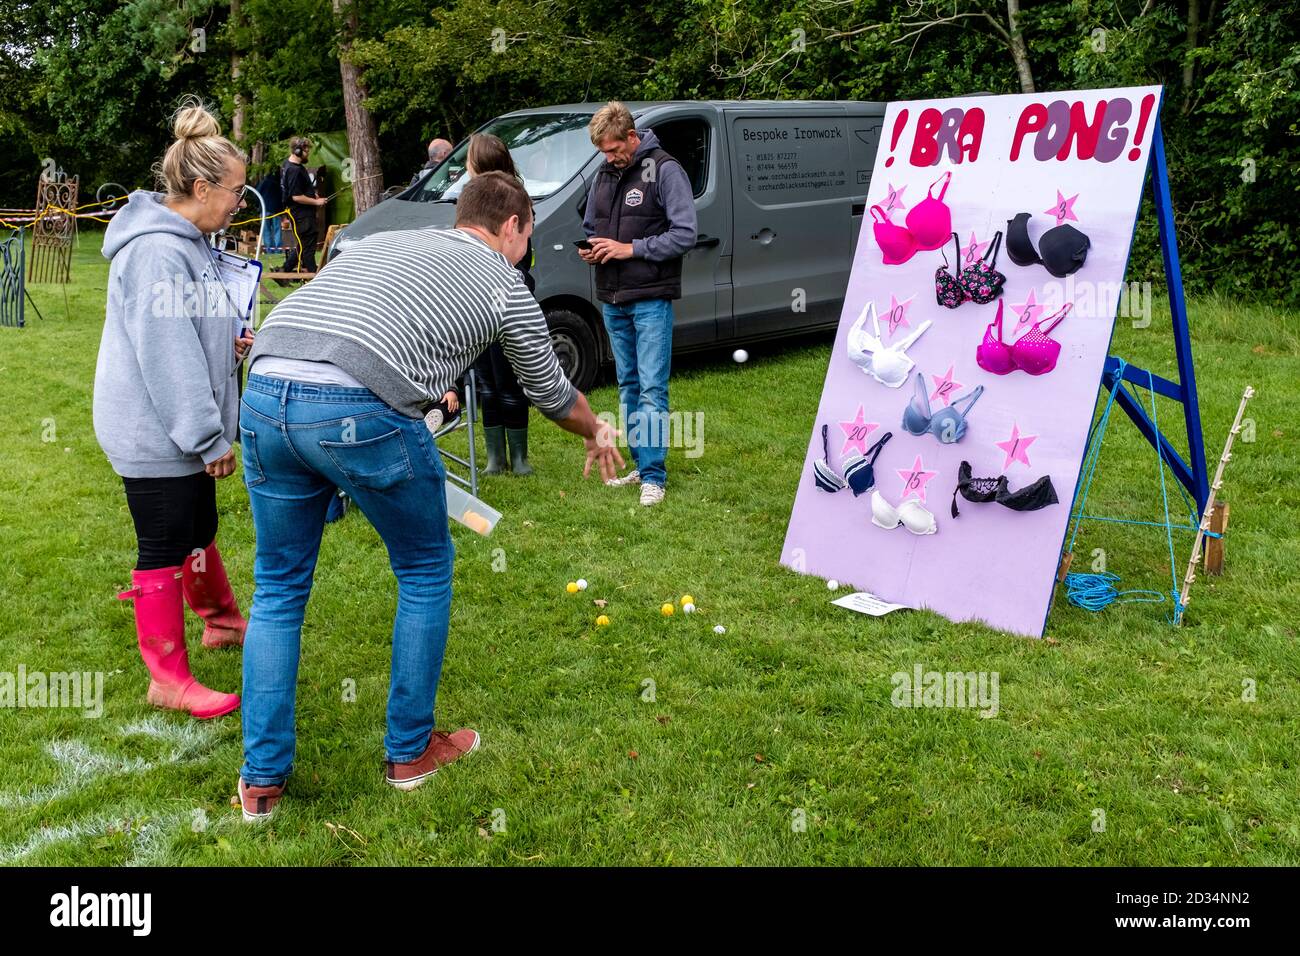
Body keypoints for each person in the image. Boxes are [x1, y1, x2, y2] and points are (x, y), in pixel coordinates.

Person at [235, 171, 623, 821]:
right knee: (423, 569)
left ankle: (261, 781)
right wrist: (596, 428)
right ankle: (410, 753)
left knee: (277, 587)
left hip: (267, 385)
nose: (526, 247)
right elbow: (550, 391)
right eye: (528, 234)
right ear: (514, 227)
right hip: (356, 405)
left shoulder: (390, 240)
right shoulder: (505, 280)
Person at [92, 97, 254, 720]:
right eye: (235, 193)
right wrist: (208, 437)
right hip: (154, 427)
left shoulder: (190, 242)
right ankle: (166, 676)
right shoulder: (159, 250)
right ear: (201, 185)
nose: (240, 204)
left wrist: (229, 342)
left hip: (174, 426)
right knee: (163, 541)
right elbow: (167, 354)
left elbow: (192, 328)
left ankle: (221, 622)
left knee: (197, 528)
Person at [579, 101, 697, 507]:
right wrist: (592, 248)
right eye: (604, 153)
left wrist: (630, 249)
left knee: (651, 389)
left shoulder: (666, 170)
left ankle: (654, 477)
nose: (609, 158)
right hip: (612, 297)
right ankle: (641, 464)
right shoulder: (604, 175)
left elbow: (685, 234)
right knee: (628, 385)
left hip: (650, 298)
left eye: (613, 150)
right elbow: (591, 226)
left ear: (632, 136)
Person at [461, 133, 537, 475]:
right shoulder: (467, 200)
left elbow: (521, 259)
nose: (465, 165)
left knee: (510, 380)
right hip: (477, 302)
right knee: (486, 379)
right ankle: (495, 456)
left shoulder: (516, 202)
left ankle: (519, 457)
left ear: (481, 165)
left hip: (507, 301)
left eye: (469, 160)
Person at [281, 136, 326, 274]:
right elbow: (296, 196)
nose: (308, 154)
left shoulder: (291, 165)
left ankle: (284, 272)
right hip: (302, 215)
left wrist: (313, 195)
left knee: (302, 246)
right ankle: (315, 279)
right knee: (308, 249)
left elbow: (299, 190)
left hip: (302, 214)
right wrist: (316, 201)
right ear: (298, 151)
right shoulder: (294, 170)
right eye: (306, 151)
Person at [253, 168, 282, 253]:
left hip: (264, 209)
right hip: (276, 211)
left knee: (266, 230)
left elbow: (256, 194)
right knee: (277, 230)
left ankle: (269, 250)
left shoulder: (263, 183)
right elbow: (281, 198)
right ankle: (278, 250)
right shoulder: (277, 184)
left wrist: (258, 205)